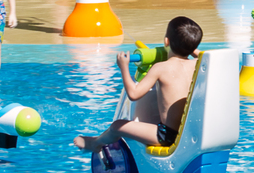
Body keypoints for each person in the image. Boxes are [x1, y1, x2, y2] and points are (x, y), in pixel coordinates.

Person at [75, 15, 204, 153]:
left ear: (166, 41)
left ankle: (96, 143)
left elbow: (134, 94)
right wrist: (192, 48)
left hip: (168, 135)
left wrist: (123, 67)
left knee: (117, 126)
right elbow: (207, 56)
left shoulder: (160, 68)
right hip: (191, 131)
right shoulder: (199, 64)